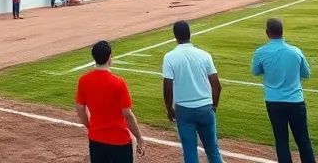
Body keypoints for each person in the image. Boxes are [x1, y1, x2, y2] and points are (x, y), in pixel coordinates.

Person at [252, 18, 316, 163]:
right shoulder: (295, 52)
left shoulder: (261, 52)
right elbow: (306, 74)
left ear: (267, 33)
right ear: (282, 32)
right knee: (303, 140)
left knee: (281, 140)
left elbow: (255, 71)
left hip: (274, 102)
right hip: (295, 101)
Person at [161, 20, 223, 163]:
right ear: (190, 34)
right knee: (213, 151)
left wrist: (169, 109)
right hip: (205, 108)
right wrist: (213, 106)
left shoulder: (170, 57)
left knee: (189, 152)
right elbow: (216, 85)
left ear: (175, 36)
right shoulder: (204, 55)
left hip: (184, 111)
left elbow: (167, 87)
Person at [75, 40, 146, 162]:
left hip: (96, 139)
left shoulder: (83, 80)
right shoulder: (119, 83)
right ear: (109, 57)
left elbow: (80, 109)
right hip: (119, 141)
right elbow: (127, 115)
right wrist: (138, 137)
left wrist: (90, 127)